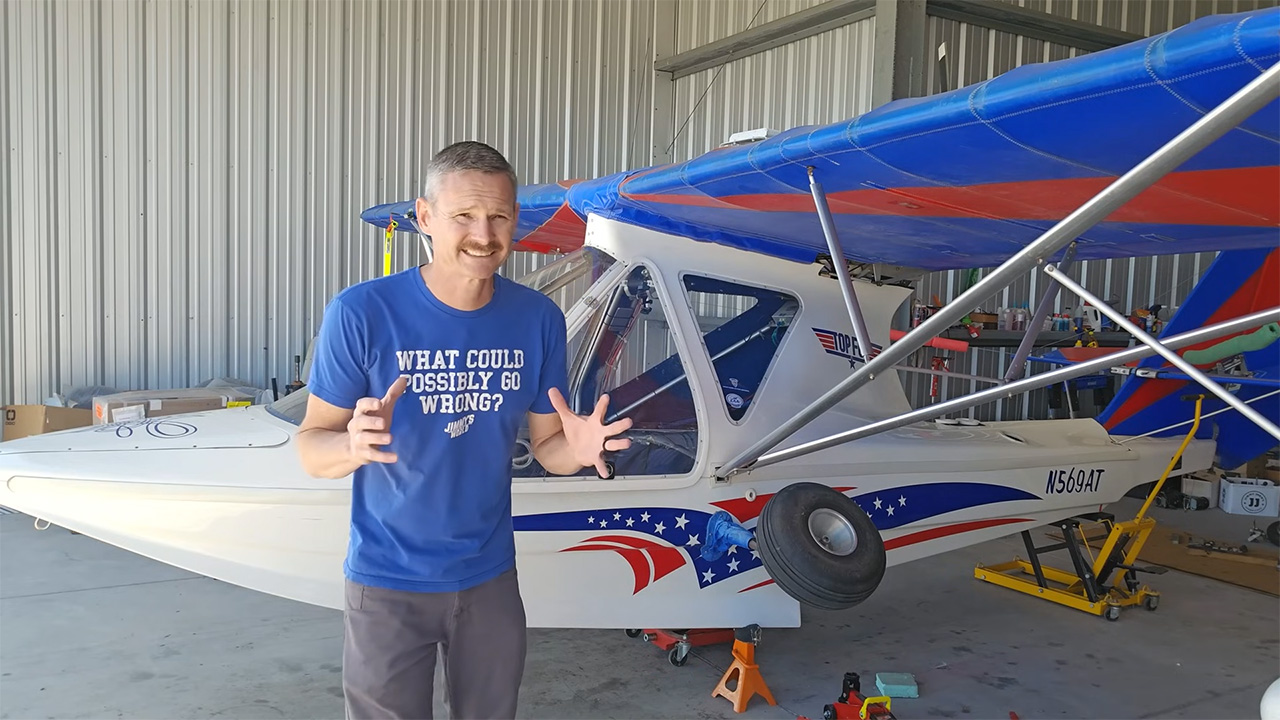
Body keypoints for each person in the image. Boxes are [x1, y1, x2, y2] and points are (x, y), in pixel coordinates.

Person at [295, 140, 633, 720]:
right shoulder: (361, 313)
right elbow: (311, 446)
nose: (484, 232)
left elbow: (549, 447)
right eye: (464, 216)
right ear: (425, 218)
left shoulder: (537, 319)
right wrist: (350, 445)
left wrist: (575, 450)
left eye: (499, 215)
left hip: (488, 579)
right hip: (387, 581)